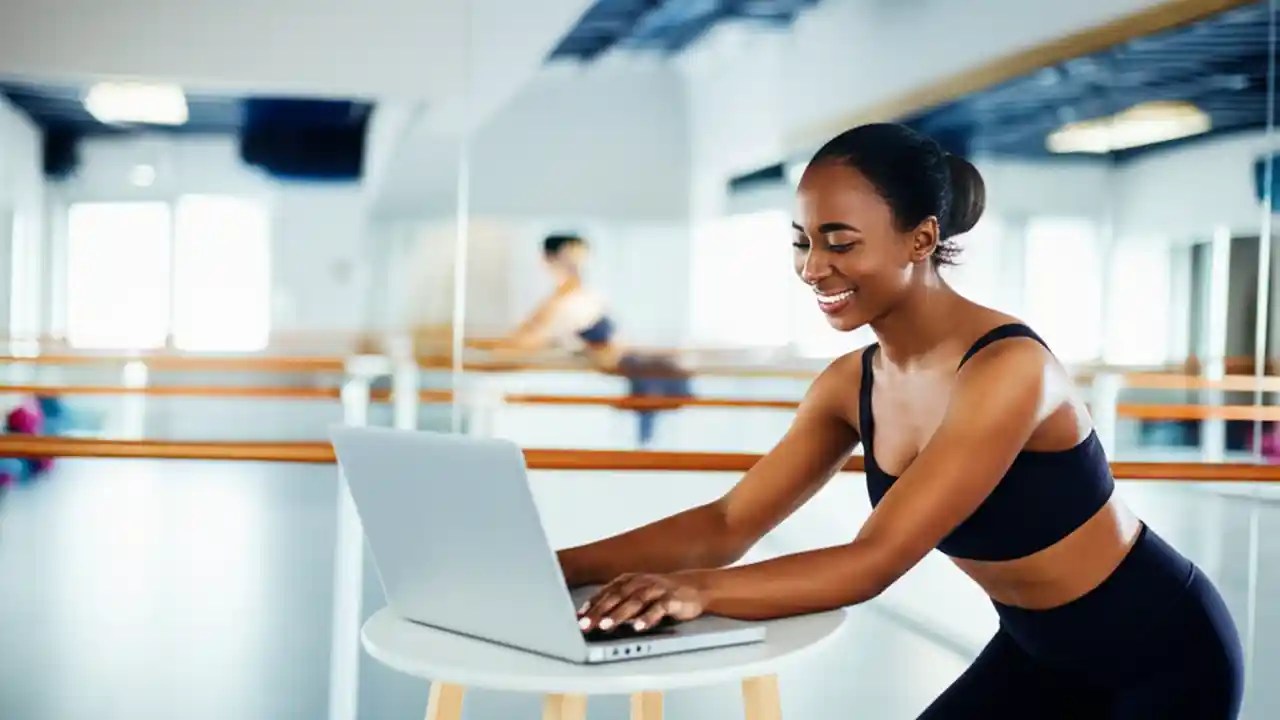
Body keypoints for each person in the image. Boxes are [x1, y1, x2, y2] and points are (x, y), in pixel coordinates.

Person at [560, 123, 1243, 718]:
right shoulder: (848, 384)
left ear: (921, 239)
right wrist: (555, 568)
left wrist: (692, 592)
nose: (812, 268)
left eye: (841, 243)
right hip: (1036, 652)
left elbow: (872, 561)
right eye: (802, 242)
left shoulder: (1008, 370)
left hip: (1163, 655)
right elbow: (728, 524)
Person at [489, 233, 693, 446]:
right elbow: (531, 334)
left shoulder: (579, 299)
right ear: (550, 260)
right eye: (569, 261)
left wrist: (500, 351)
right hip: (614, 358)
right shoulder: (562, 301)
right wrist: (497, 351)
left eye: (579, 261)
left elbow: (535, 336)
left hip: (620, 358)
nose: (576, 268)